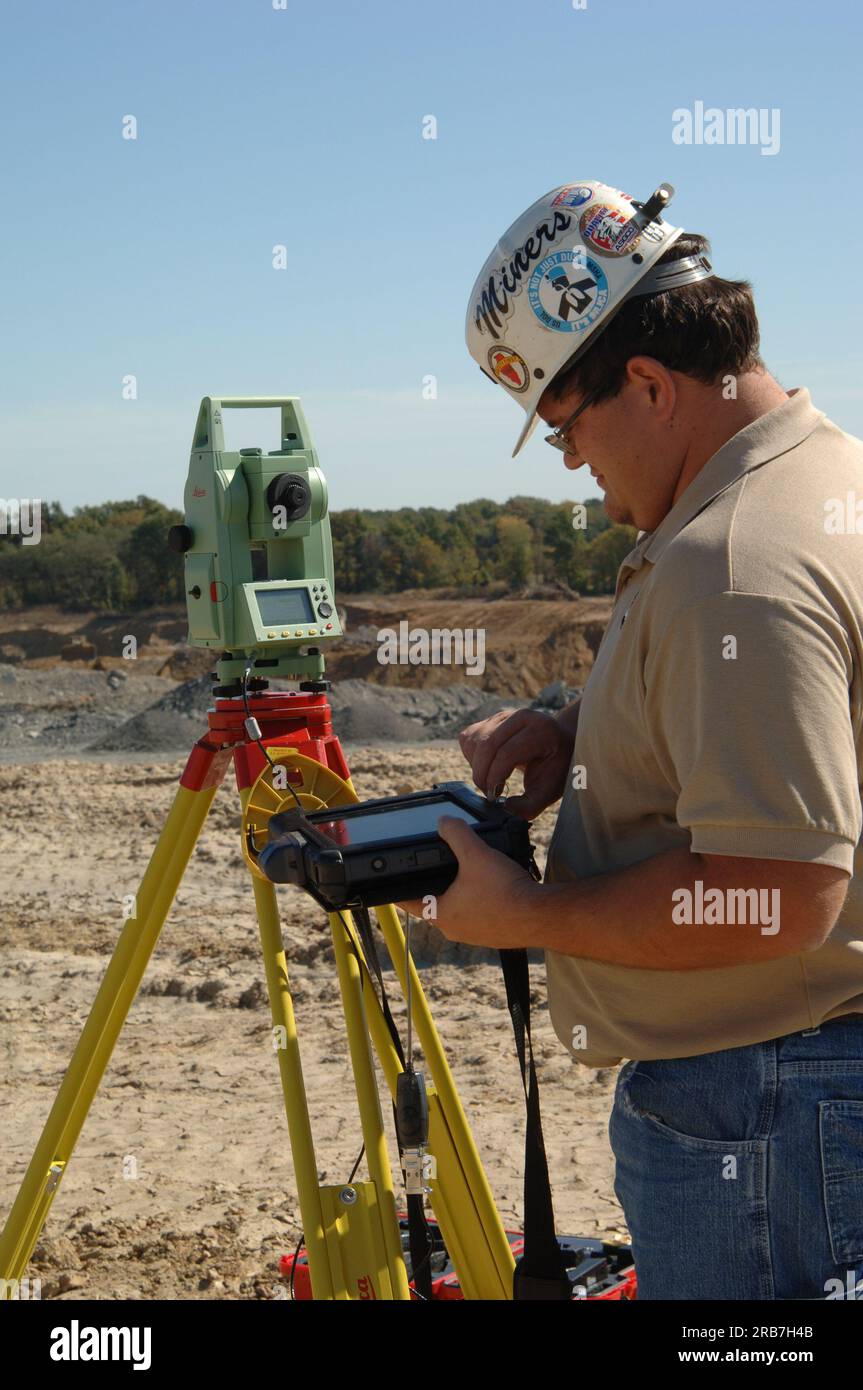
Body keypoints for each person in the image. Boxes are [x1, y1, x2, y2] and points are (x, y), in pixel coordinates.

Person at [416, 179, 863, 1300]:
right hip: (784, 1092)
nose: (571, 467)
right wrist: (580, 727)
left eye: (563, 428)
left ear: (650, 382)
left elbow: (775, 890)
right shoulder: (818, 482)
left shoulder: (736, 561)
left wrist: (522, 916)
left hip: (759, 1109)